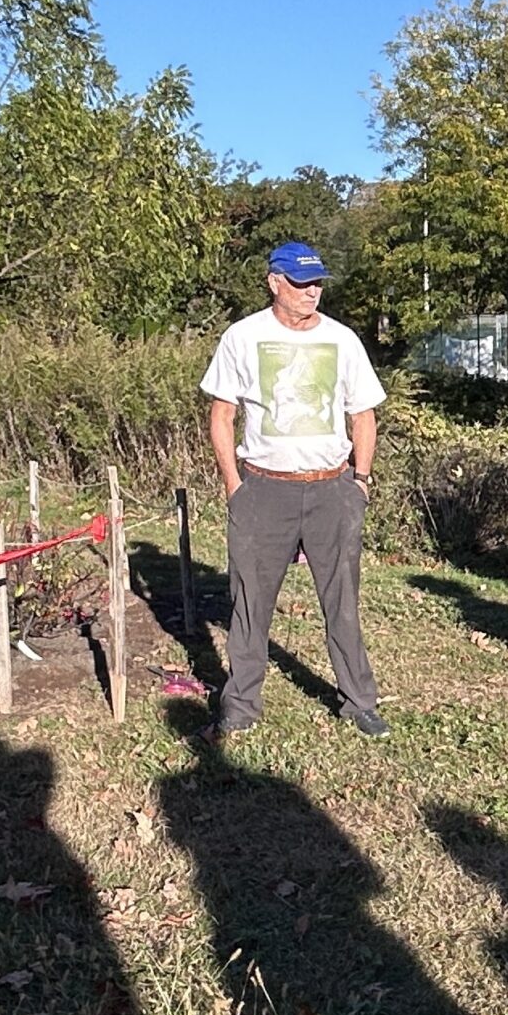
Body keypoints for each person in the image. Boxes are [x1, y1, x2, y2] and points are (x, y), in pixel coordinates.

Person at [200, 241, 389, 740]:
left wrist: (360, 482)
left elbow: (363, 414)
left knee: (343, 601)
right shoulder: (242, 337)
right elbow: (222, 415)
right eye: (301, 283)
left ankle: (359, 701)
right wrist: (234, 486)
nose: (312, 293)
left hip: (332, 489)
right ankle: (240, 704)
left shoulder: (343, 340)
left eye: (318, 283)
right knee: (250, 602)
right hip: (263, 490)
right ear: (274, 282)